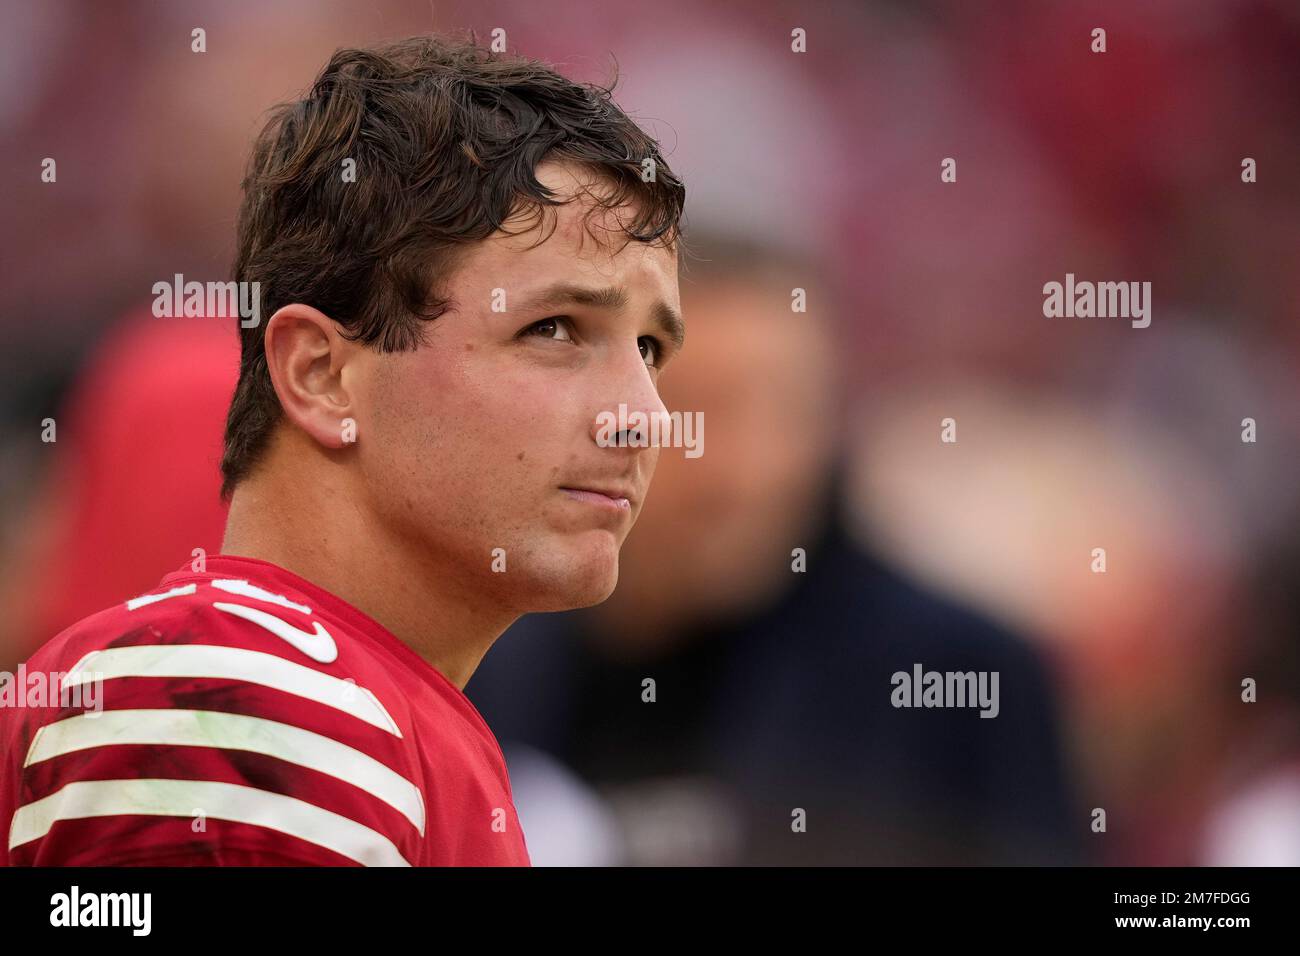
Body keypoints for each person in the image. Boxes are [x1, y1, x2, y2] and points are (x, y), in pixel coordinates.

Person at [0, 34, 685, 867]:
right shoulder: (236, 685)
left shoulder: (333, 698)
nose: (643, 416)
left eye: (649, 349)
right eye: (554, 329)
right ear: (321, 374)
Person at [468, 234, 1082, 865]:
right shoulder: (484, 657)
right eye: (699, 412)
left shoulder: (962, 676)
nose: (745, 470)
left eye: (789, 410)